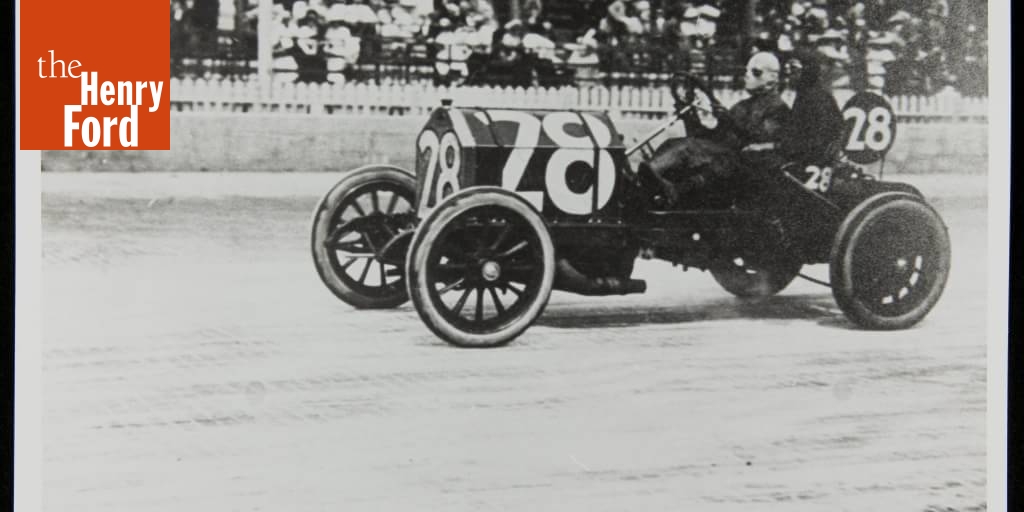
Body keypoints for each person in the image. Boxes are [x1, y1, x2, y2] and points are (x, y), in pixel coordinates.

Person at [638, 51, 790, 207]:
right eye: (746, 71)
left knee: (688, 147)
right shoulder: (742, 107)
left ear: (772, 78)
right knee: (677, 143)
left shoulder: (777, 109)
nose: (747, 76)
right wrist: (691, 119)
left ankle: (651, 177)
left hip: (745, 167)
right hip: (725, 159)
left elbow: (759, 141)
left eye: (756, 72)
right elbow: (713, 138)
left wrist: (730, 122)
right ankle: (652, 180)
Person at [778, 49, 844, 166]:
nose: (788, 73)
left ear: (806, 71)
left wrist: (776, 146)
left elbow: (813, 141)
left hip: (810, 164)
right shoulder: (809, 94)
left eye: (793, 68)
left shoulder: (813, 98)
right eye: (787, 68)